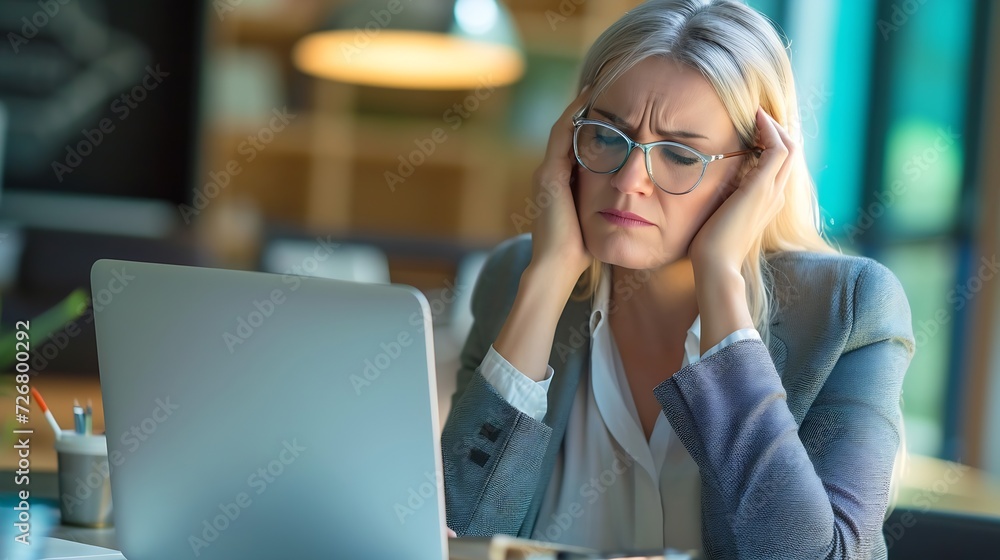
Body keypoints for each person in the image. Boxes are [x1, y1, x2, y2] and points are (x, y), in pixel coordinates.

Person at [441, 0, 915, 557]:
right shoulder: (512, 279)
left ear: (752, 172)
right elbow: (450, 535)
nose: (628, 180)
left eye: (680, 154)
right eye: (606, 136)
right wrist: (547, 279)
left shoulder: (849, 313)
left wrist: (720, 282)